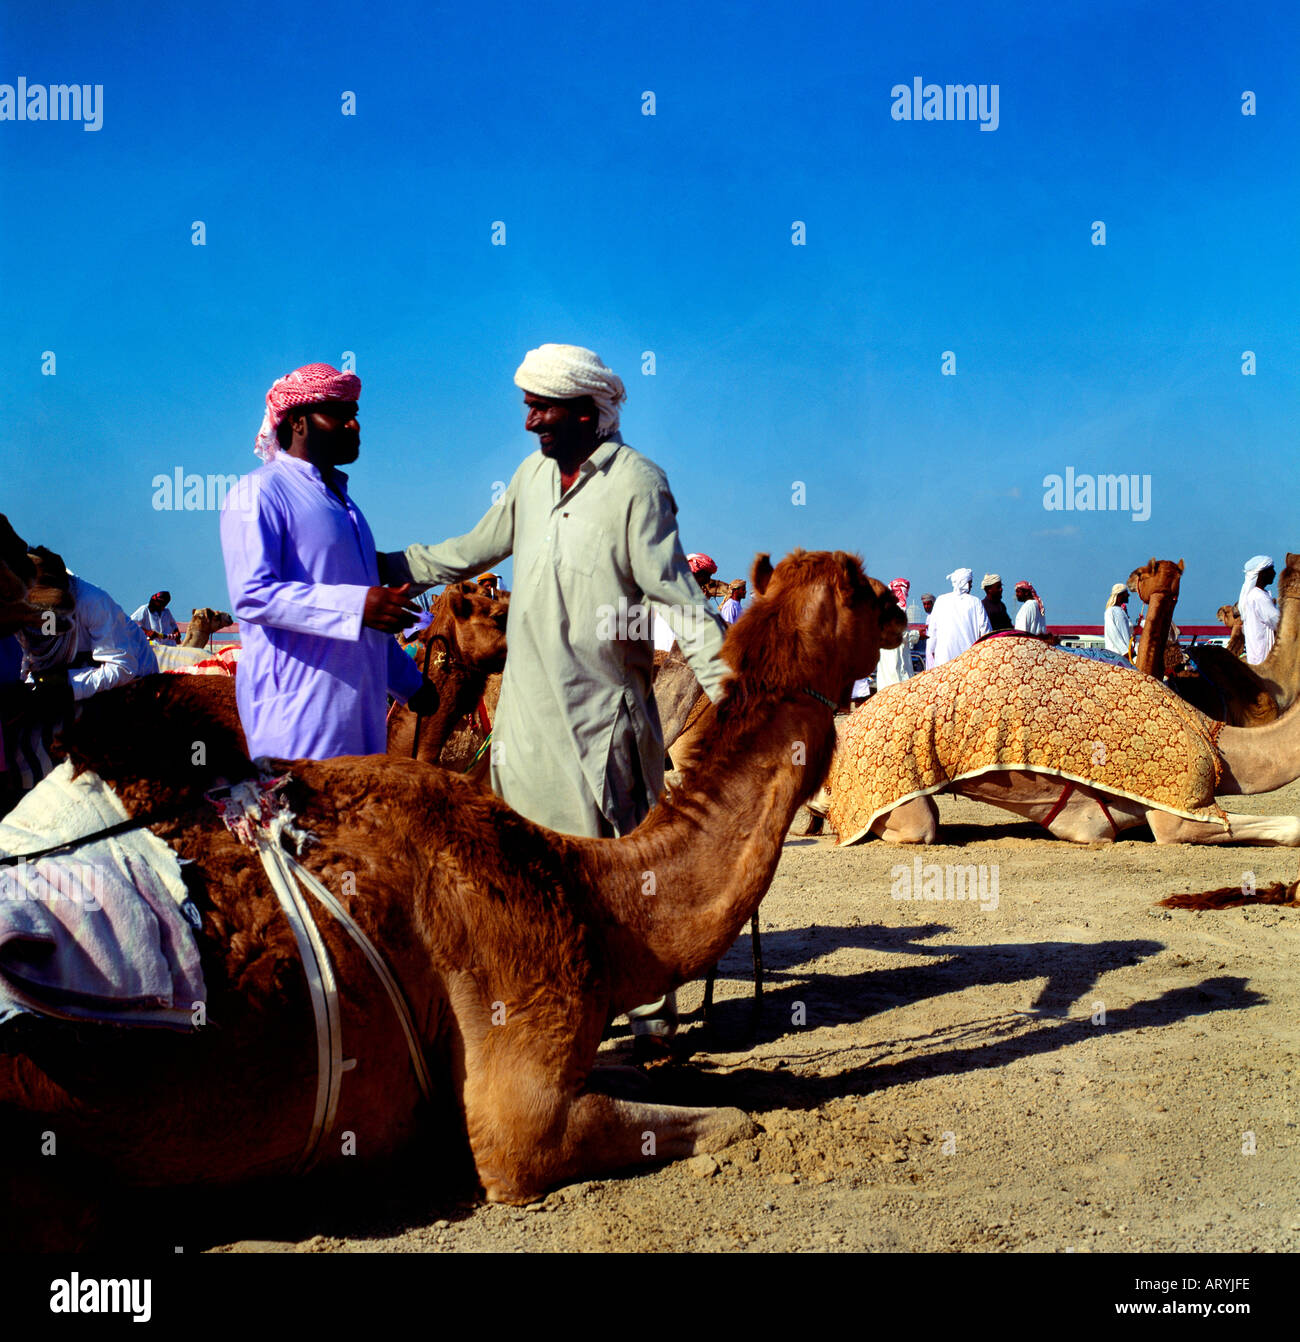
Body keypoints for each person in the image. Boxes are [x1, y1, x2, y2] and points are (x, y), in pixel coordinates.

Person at [386, 344, 727, 1055]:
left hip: (601, 718)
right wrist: (388, 567)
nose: (530, 421)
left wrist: (732, 693)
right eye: (528, 406)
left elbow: (680, 599)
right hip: (527, 719)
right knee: (533, 871)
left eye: (542, 407)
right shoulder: (532, 478)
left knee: (621, 873)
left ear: (587, 411)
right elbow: (472, 548)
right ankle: (557, 1008)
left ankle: (650, 1019)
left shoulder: (638, 485)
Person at [220, 363, 436, 760]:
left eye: (354, 415)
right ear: (299, 422)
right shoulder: (259, 493)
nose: (353, 426)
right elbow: (252, 596)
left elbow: (361, 624)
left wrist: (411, 684)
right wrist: (360, 604)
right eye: (339, 415)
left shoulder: (346, 508)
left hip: (362, 717)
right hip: (299, 716)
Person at [16, 547, 159, 706]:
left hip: (136, 677)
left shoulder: (93, 602)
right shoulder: (24, 604)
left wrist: (65, 682)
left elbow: (123, 668)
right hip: (77, 672)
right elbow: (32, 655)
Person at [926, 569, 991, 669]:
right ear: (965, 583)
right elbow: (986, 632)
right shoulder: (975, 602)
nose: (971, 586)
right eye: (970, 582)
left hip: (943, 659)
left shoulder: (941, 600)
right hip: (968, 659)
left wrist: (931, 650)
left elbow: (932, 631)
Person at [1239, 555, 1279, 665]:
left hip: (1257, 658)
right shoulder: (1259, 597)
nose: (1274, 573)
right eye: (1271, 570)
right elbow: (1279, 622)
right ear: (1262, 573)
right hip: (1264, 660)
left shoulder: (1255, 595)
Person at [1103, 583, 1133, 658]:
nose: (1128, 595)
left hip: (1127, 655)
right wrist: (1125, 651)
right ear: (1120, 595)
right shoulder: (1110, 612)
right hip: (1116, 655)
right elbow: (1112, 632)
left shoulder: (1122, 611)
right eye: (1126, 593)